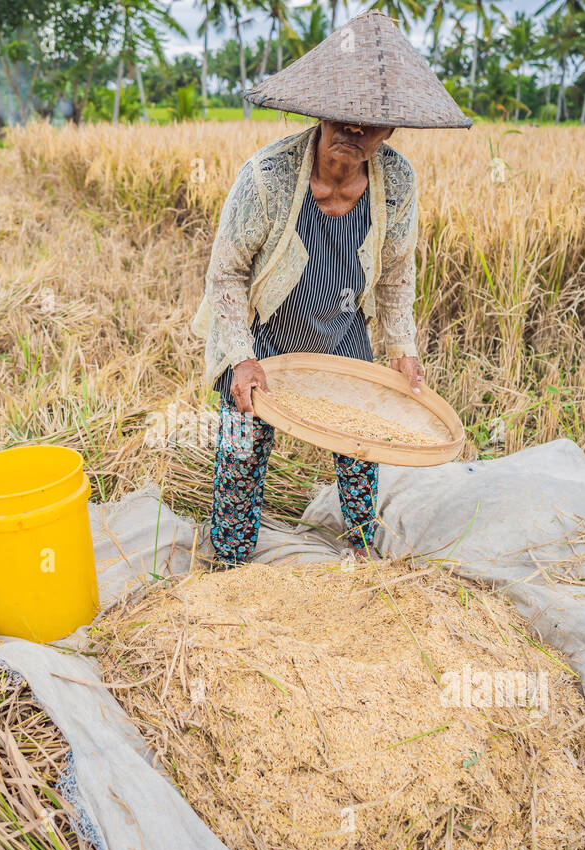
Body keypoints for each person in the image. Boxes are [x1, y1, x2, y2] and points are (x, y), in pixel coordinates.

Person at [191, 11, 471, 565]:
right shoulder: (267, 177)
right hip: (265, 336)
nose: (351, 130)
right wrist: (241, 358)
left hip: (343, 334)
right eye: (340, 117)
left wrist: (403, 349)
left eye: (368, 123)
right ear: (319, 113)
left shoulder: (397, 180)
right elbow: (226, 273)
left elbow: (395, 273)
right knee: (242, 451)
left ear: (389, 131)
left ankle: (362, 551)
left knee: (361, 452)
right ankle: (229, 565)